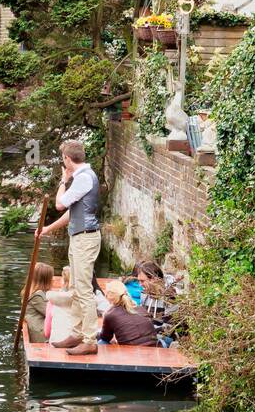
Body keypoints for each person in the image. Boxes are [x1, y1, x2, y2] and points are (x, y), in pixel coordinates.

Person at [40, 140, 104, 355]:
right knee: (76, 288)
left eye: (63, 159)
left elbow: (60, 204)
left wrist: (62, 181)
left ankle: (89, 339)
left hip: (86, 239)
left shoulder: (83, 178)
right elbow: (73, 213)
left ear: (67, 159)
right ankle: (77, 334)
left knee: (84, 290)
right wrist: (48, 228)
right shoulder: (83, 178)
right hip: (79, 237)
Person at [97, 280, 158, 346]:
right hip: (154, 347)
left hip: (131, 353)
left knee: (101, 342)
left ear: (108, 296)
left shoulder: (110, 314)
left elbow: (105, 338)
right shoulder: (141, 308)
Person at [24, 263, 53, 344]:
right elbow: (52, 313)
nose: (53, 280)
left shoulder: (31, 291)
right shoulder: (38, 296)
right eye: (51, 277)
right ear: (46, 280)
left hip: (39, 331)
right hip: (42, 337)